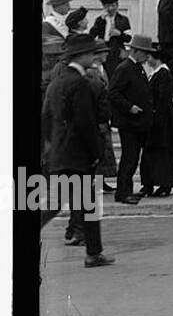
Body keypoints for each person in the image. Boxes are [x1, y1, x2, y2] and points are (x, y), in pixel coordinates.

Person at [41, 34, 115, 267]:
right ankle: (93, 253)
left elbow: (45, 118)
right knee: (67, 204)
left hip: (61, 152)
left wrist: (54, 144)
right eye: (91, 53)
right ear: (81, 56)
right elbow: (85, 122)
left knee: (80, 204)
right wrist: (96, 151)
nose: (93, 56)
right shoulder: (80, 83)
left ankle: (94, 252)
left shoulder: (56, 83)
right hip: (77, 154)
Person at [108, 33, 155, 203]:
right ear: (135, 51)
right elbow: (113, 93)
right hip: (129, 123)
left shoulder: (137, 68)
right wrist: (129, 107)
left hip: (138, 122)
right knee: (129, 158)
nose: (147, 56)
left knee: (133, 159)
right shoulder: (125, 68)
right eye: (145, 52)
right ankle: (122, 192)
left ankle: (127, 190)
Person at [140, 41, 173, 197]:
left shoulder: (163, 74)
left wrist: (156, 118)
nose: (147, 60)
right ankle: (151, 182)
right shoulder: (156, 73)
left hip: (163, 121)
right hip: (158, 118)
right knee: (153, 153)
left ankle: (165, 183)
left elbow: (162, 100)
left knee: (163, 153)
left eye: (149, 56)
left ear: (156, 58)